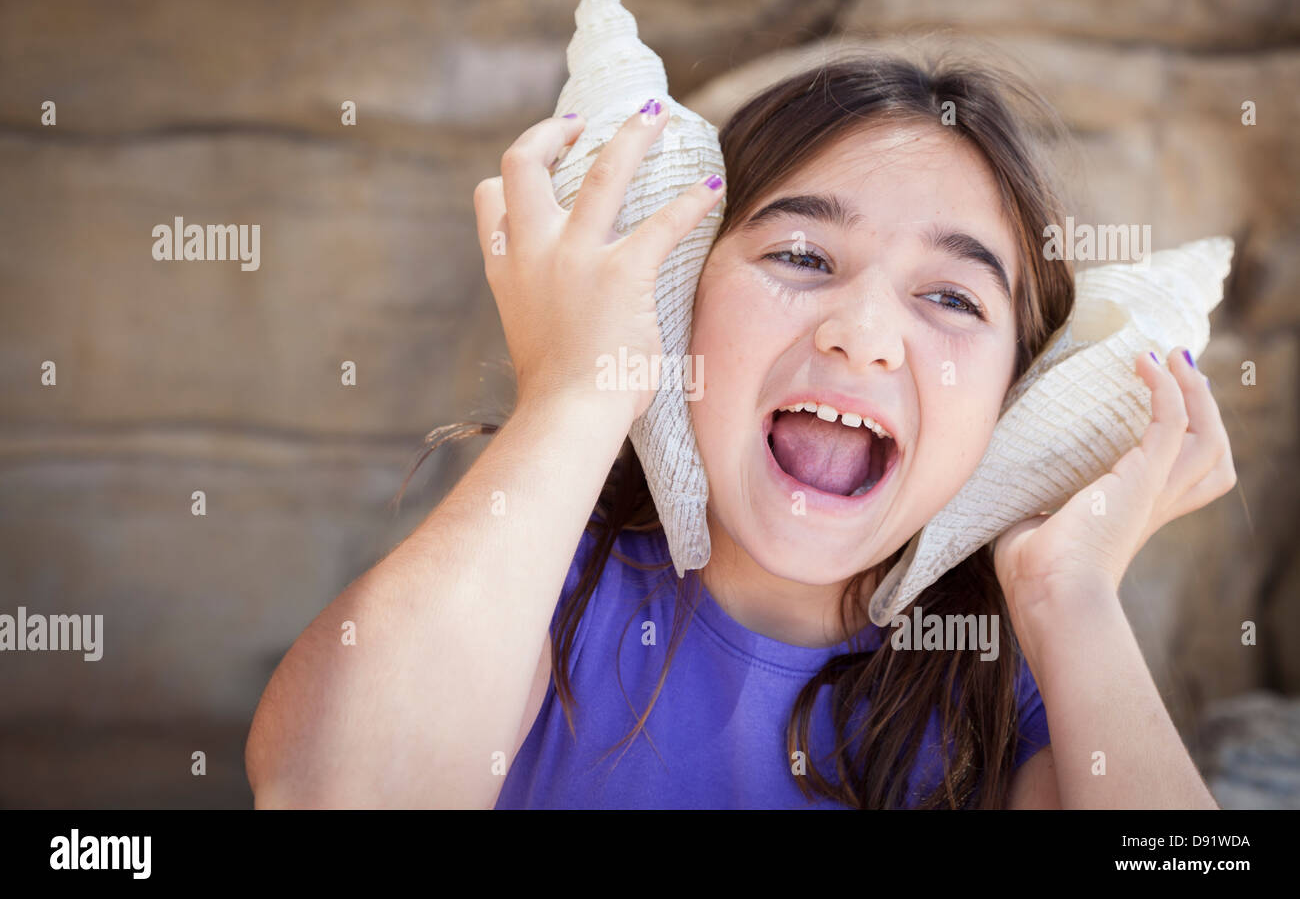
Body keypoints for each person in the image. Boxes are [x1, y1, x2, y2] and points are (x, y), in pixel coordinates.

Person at [244, 54, 1235, 809]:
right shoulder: (541, 595)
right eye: (802, 254)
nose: (861, 333)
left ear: (1008, 403)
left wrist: (1071, 596)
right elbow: (325, 790)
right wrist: (579, 389)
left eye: (949, 295)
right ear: (681, 308)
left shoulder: (1009, 693)